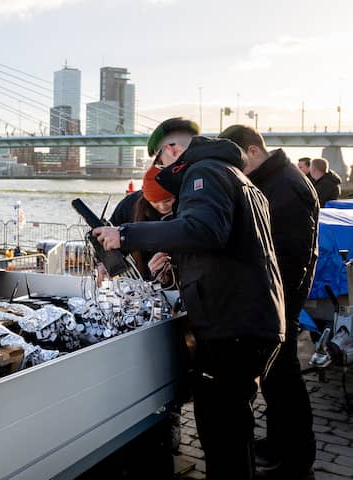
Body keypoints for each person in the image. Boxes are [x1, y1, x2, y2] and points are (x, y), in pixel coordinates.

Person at [92, 117, 284, 480]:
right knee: (234, 432)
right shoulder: (236, 176)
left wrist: (126, 235)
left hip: (230, 325)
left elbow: (205, 230)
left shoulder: (204, 172)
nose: (160, 171)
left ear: (172, 150)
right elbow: (222, 240)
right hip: (252, 320)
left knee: (220, 434)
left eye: (159, 162)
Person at [220, 125, 318, 480]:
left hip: (282, 298)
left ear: (253, 151)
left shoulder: (286, 186)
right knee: (275, 378)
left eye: (238, 163)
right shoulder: (273, 180)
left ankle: (296, 460)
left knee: (284, 379)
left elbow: (290, 255)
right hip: (275, 296)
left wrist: (274, 300)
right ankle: (278, 443)